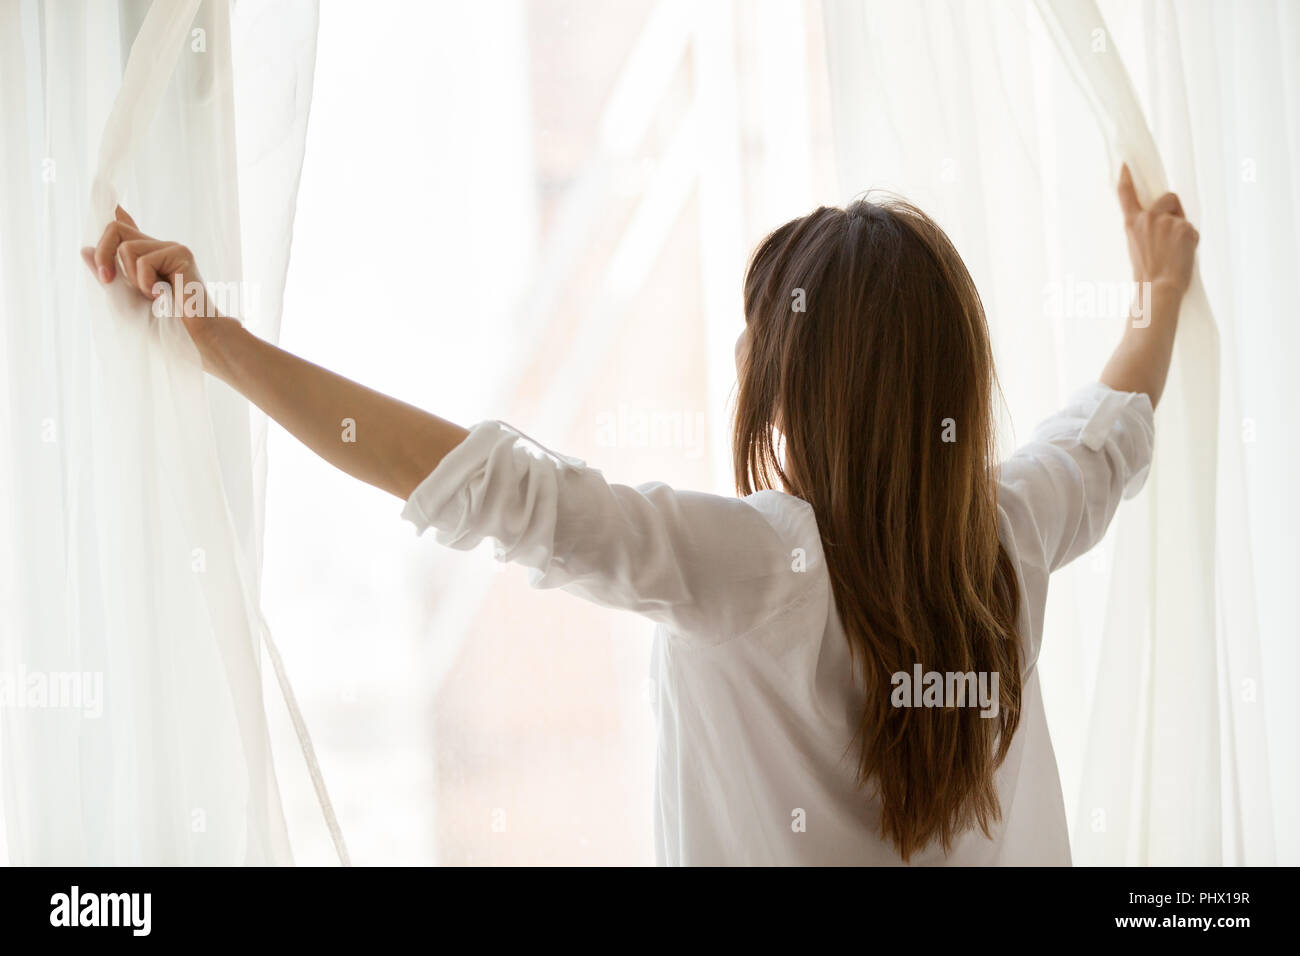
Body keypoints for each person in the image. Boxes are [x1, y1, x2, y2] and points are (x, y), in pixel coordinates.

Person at [83, 163, 1198, 865]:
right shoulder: (1010, 527)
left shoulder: (756, 563)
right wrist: (1153, 295)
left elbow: (485, 484)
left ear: (799, 386)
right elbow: (1111, 426)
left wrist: (221, 343)